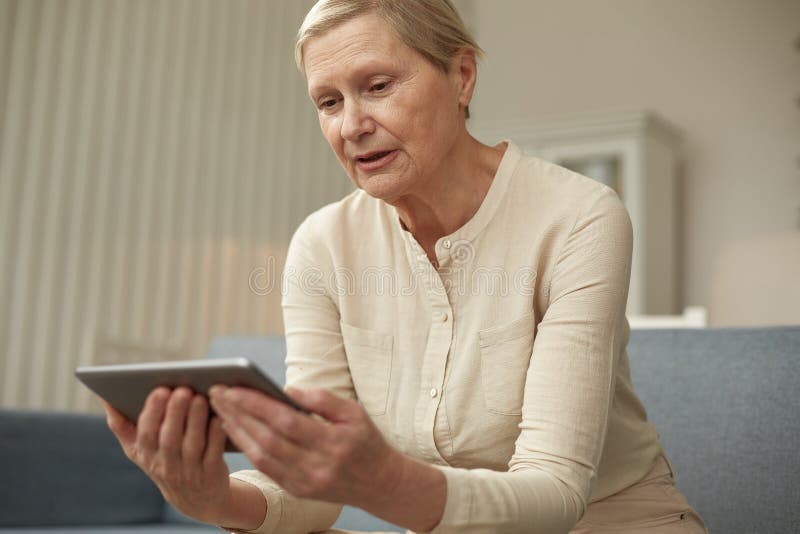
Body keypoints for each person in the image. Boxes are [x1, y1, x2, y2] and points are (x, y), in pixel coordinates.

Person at [103, 1, 709, 532]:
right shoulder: (322, 244)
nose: (352, 126)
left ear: (462, 76)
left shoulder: (578, 217)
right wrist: (212, 500)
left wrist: (382, 481)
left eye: (379, 85)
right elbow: (314, 499)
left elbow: (556, 494)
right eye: (329, 101)